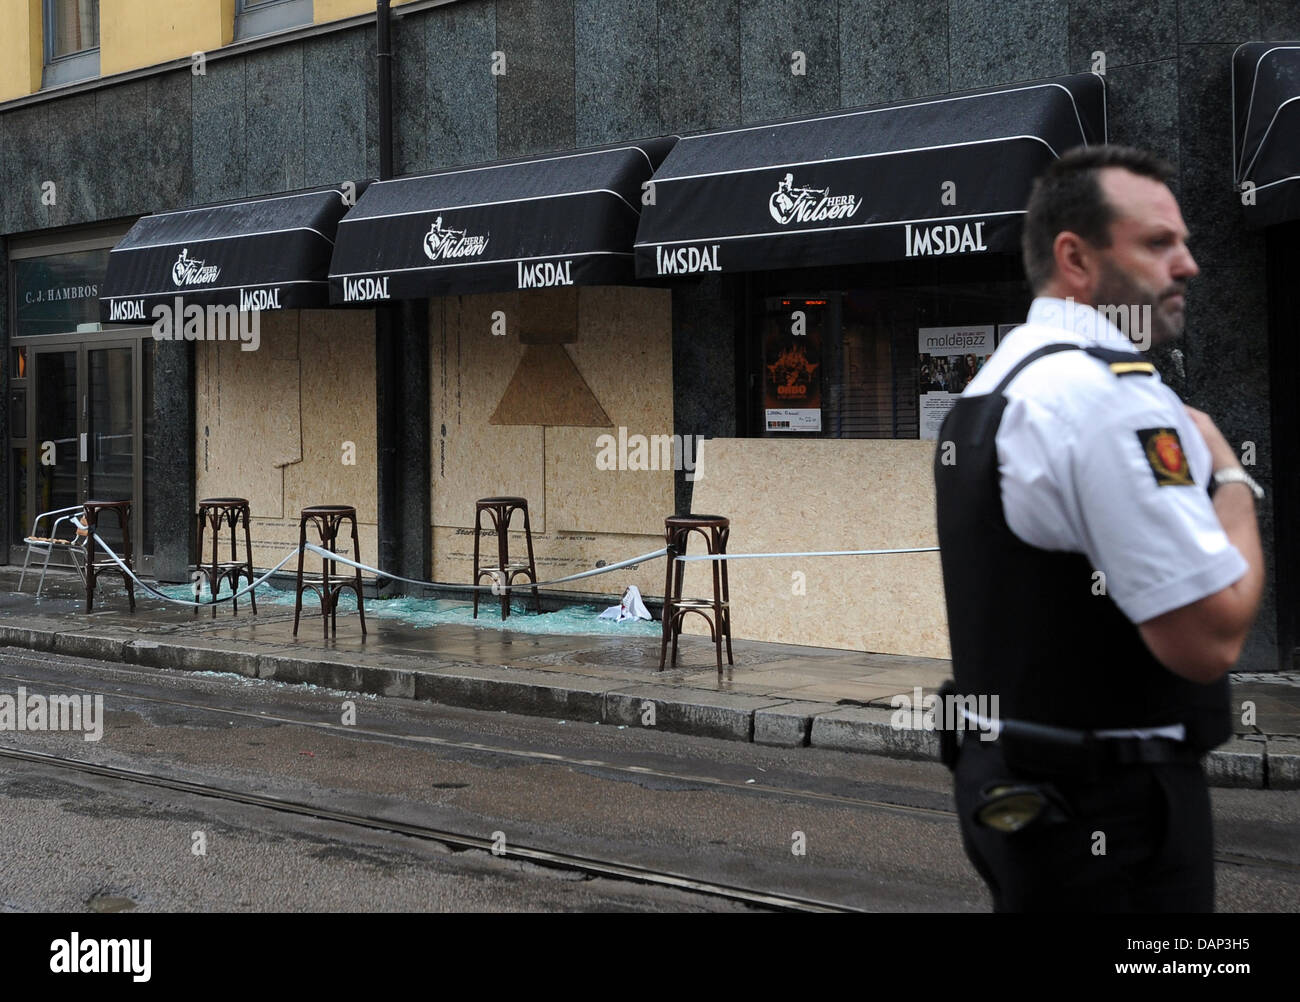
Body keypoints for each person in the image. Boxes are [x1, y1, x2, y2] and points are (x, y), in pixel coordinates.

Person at [932, 144, 1265, 912]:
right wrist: (1233, 481)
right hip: (1111, 813)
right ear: (1075, 258)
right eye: (1157, 243)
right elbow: (1209, 637)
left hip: (1013, 790)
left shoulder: (999, 381)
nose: (1188, 265)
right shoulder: (1110, 397)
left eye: (1183, 241)